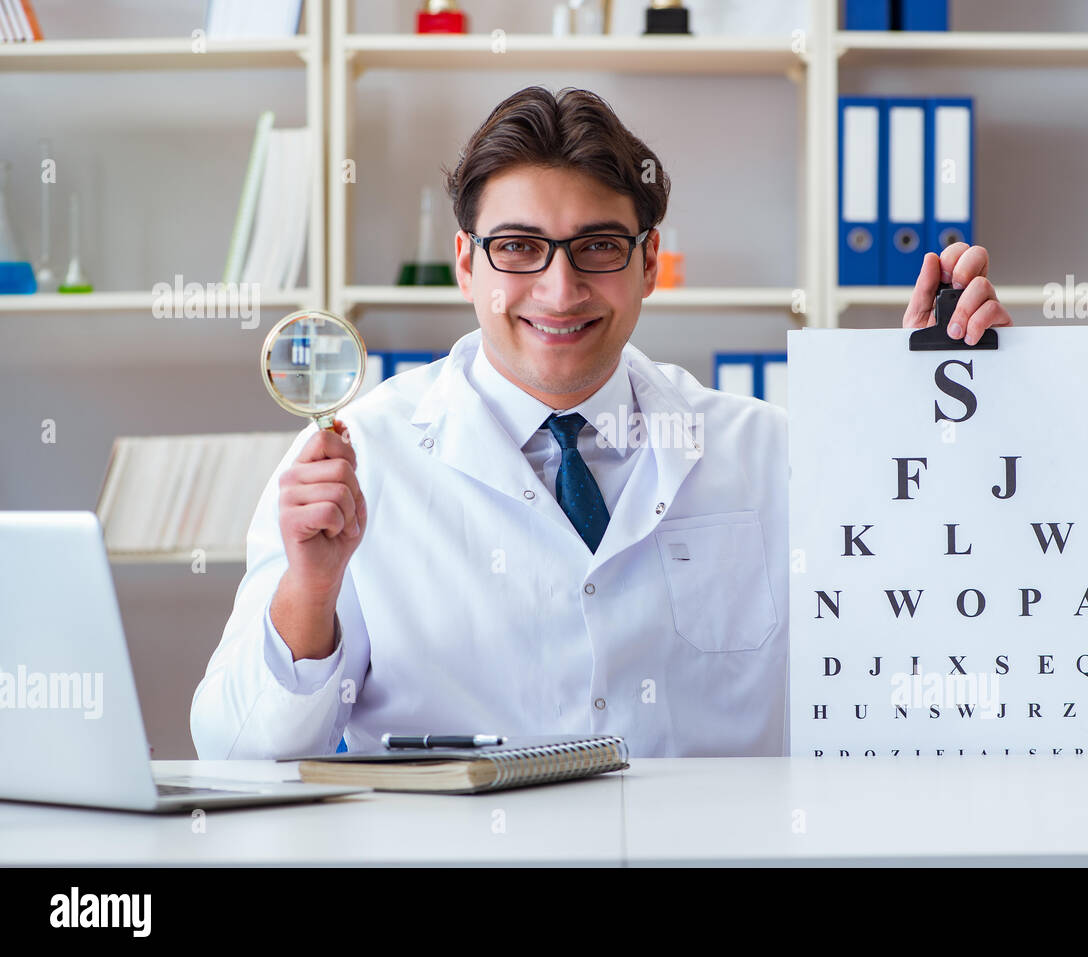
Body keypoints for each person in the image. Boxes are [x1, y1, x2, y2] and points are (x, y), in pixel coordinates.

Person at [190, 86, 1012, 760]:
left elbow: (923, 655)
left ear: (650, 262)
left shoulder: (767, 451)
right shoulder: (354, 460)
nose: (559, 289)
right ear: (467, 263)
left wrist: (936, 421)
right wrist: (313, 587)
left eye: (598, 247)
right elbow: (236, 747)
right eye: (518, 247)